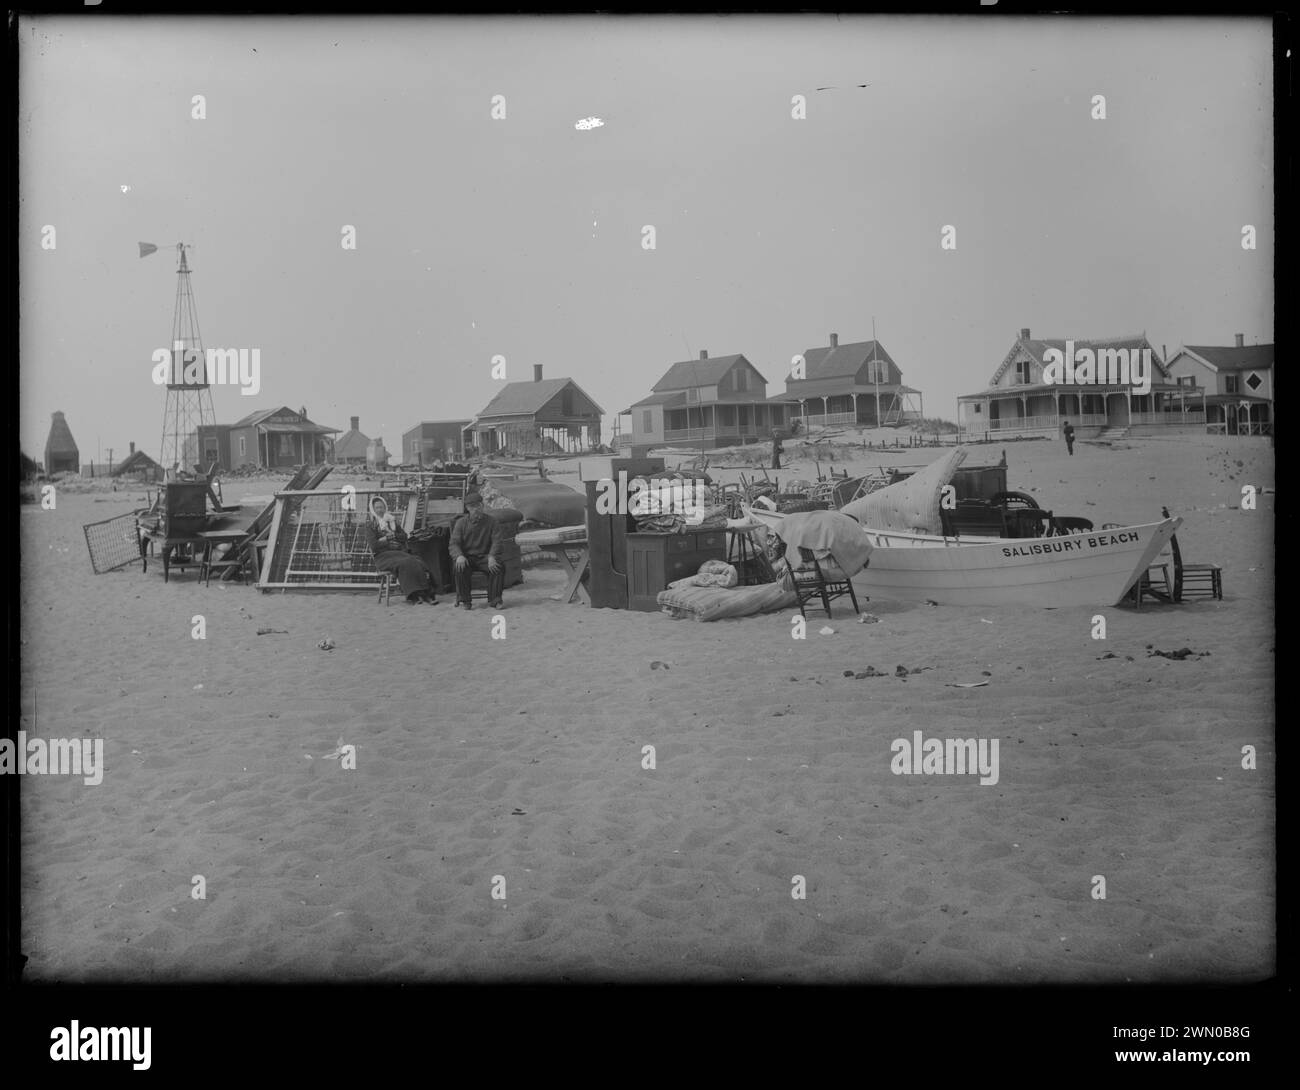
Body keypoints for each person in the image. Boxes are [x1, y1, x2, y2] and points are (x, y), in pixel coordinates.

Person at [366, 496, 436, 604]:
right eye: (377, 508)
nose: (379, 510)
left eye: (381, 507)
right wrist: (386, 540)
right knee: (406, 562)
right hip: (383, 557)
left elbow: (404, 536)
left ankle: (425, 594)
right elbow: (374, 546)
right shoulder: (371, 525)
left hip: (399, 553)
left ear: (385, 507)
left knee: (418, 561)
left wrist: (392, 536)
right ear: (373, 509)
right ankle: (414, 595)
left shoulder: (391, 521)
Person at [449, 491, 504, 610]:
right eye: (472, 507)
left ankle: (495, 600)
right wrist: (459, 555)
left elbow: (497, 541)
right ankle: (465, 600)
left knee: (498, 566)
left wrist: (492, 556)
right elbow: (454, 543)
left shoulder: (492, 522)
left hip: (485, 557)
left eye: (478, 506)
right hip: (467, 558)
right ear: (467, 508)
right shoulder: (461, 523)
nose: (476, 509)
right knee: (459, 567)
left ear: (482, 506)